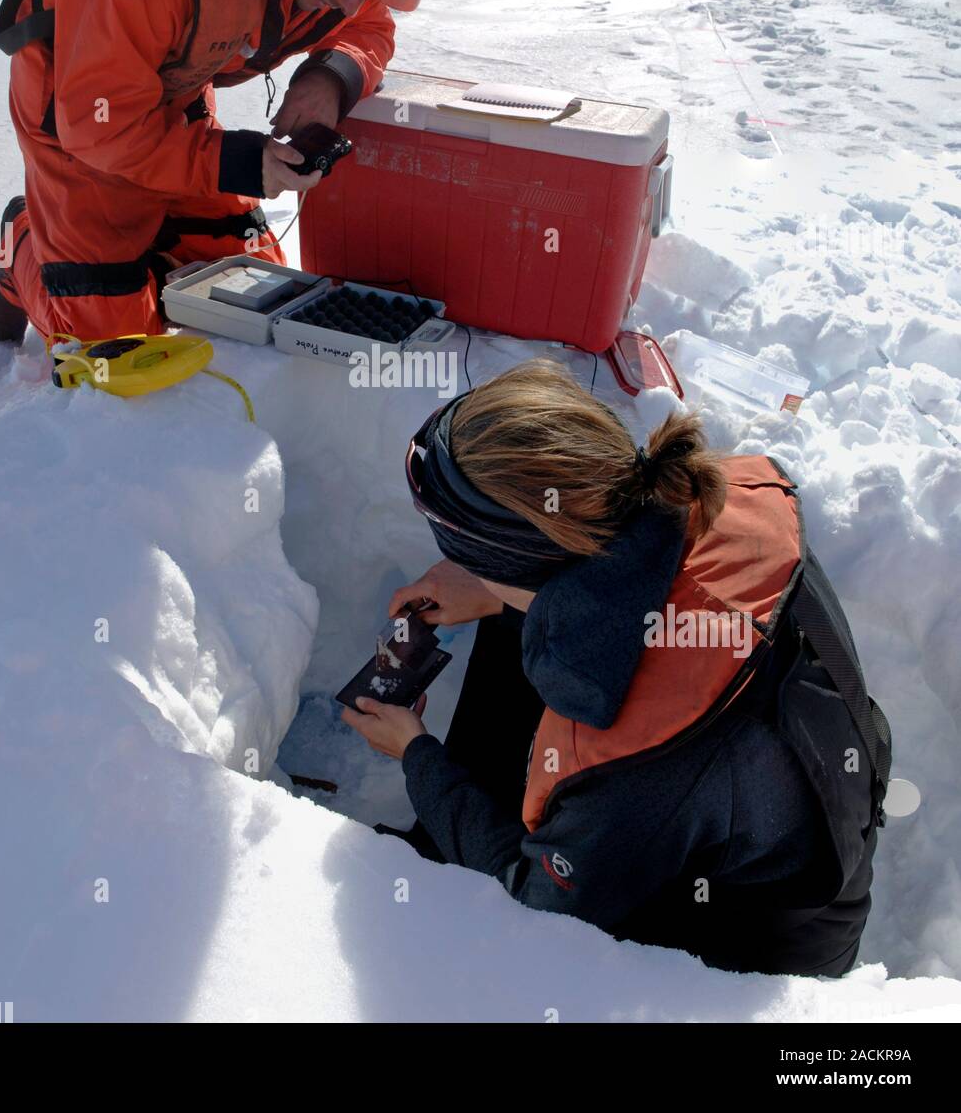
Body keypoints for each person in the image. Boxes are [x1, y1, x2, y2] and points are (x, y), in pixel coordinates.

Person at [343, 360, 890, 977]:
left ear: (517, 557)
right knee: (511, 630)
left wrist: (419, 758)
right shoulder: (702, 499)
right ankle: (457, 832)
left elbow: (536, 906)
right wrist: (496, 591)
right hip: (760, 815)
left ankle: (449, 855)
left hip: (742, 953)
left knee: (522, 930)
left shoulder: (635, 757)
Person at [0, 0, 468, 346]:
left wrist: (330, 76)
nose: (354, 2)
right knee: (114, 349)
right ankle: (21, 245)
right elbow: (101, 126)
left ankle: (151, 243)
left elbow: (370, 29)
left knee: (257, 296)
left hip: (180, 92)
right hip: (79, 113)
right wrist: (234, 162)